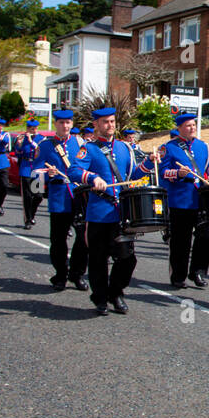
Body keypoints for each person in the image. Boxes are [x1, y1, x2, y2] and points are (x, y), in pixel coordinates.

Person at [67, 108, 159, 316]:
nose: (110, 125)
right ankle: (100, 298)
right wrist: (92, 178)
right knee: (98, 259)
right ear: (97, 125)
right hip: (99, 212)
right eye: (105, 122)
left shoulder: (124, 148)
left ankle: (115, 292)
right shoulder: (89, 149)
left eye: (112, 121)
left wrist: (147, 163)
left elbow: (132, 175)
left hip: (121, 212)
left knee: (127, 258)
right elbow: (73, 171)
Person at [160, 112, 209, 290]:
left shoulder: (203, 146)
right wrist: (177, 173)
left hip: (200, 199)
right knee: (181, 241)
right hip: (180, 201)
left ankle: (198, 272)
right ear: (179, 128)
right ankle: (178, 275)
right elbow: (161, 172)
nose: (192, 128)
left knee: (206, 236)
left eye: (193, 125)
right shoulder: (168, 147)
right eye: (188, 126)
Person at [34, 110, 88, 291]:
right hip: (59, 198)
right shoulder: (45, 145)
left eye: (68, 122)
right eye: (61, 123)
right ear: (55, 124)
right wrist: (47, 177)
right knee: (58, 240)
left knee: (83, 238)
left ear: (72, 124)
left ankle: (77, 273)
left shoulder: (80, 143)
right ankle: (61, 274)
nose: (65, 126)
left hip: (79, 197)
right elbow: (35, 175)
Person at [17, 119, 46, 229]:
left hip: (37, 169)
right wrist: (19, 146)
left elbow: (40, 151)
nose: (32, 130)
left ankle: (32, 214)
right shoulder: (22, 138)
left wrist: (30, 141)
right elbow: (18, 153)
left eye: (34, 129)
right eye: (30, 129)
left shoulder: (41, 139)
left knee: (38, 196)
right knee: (27, 196)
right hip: (25, 168)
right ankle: (28, 219)